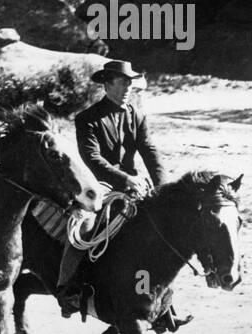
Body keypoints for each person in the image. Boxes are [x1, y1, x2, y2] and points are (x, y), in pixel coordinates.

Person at [56, 59, 170, 318]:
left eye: (130, 82)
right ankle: (68, 290)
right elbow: (92, 158)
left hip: (133, 183)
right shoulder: (87, 119)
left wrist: (161, 187)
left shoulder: (137, 115)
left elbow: (149, 151)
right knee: (83, 226)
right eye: (121, 82)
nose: (127, 87)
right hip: (99, 184)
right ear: (107, 86)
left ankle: (161, 298)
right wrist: (124, 179)